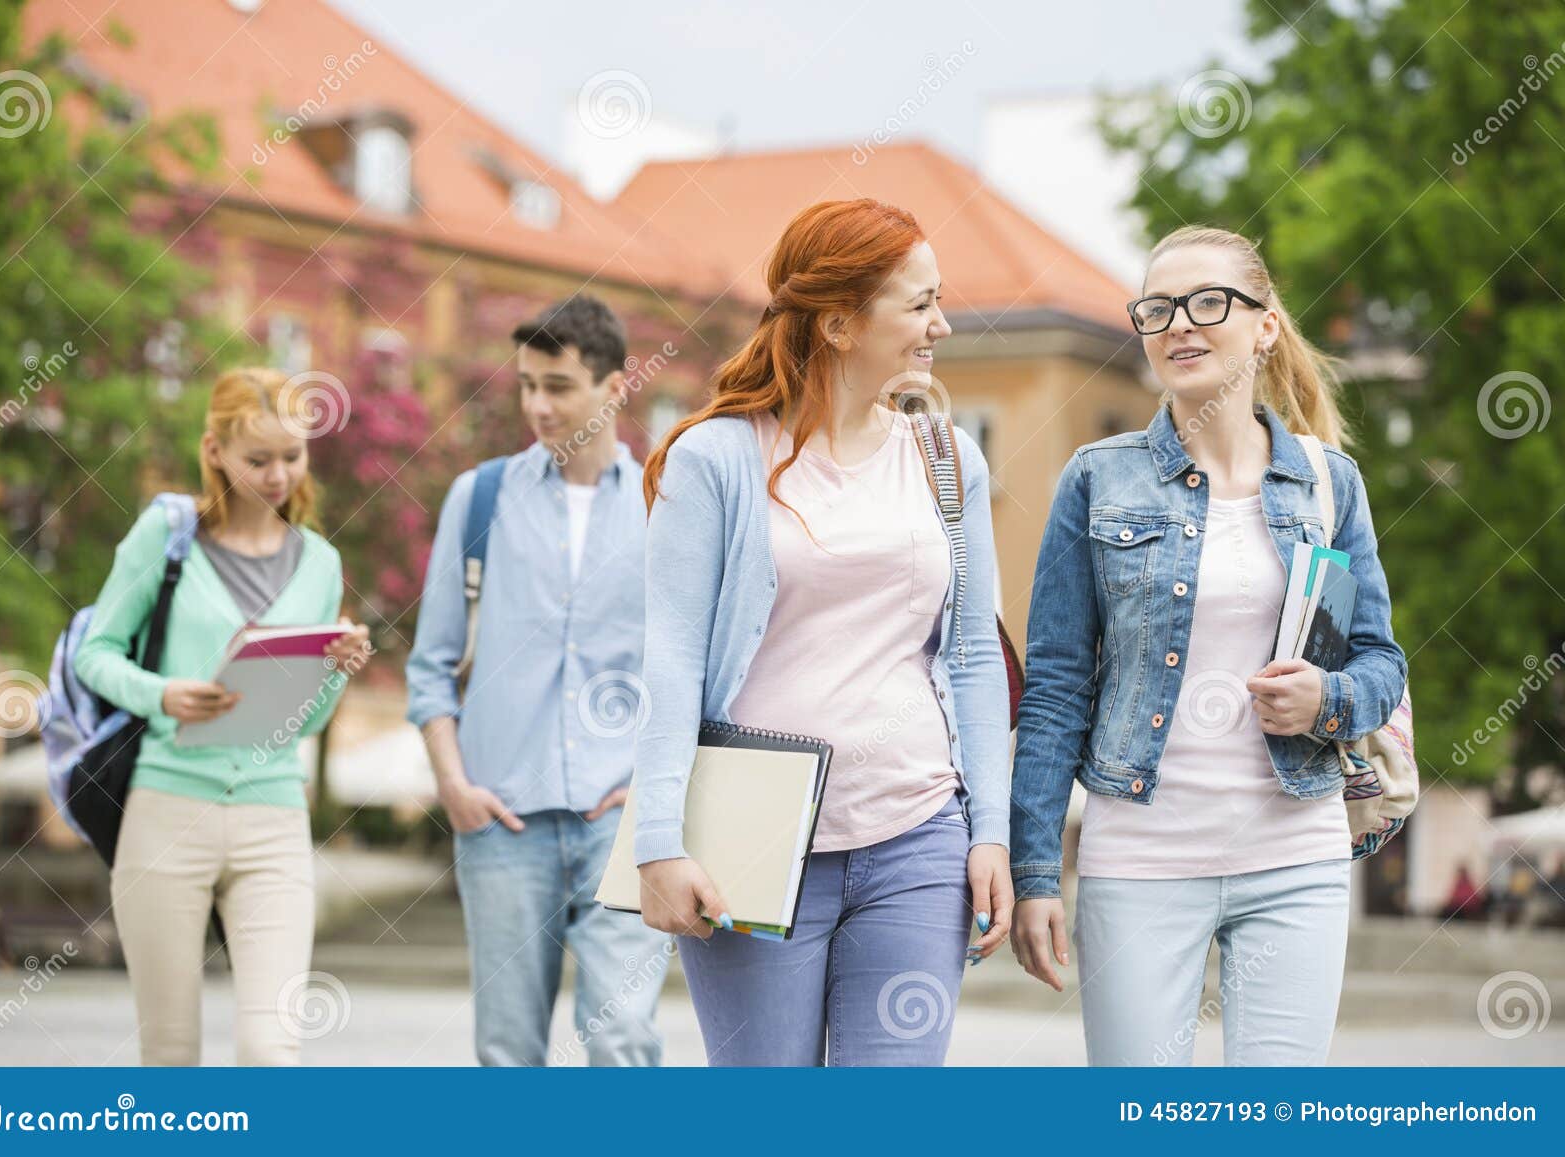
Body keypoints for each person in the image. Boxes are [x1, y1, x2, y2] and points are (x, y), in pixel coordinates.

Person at [1009, 225, 1408, 1066]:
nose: (1180, 324)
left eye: (1208, 302)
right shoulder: (1095, 477)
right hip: (1140, 857)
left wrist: (1327, 699)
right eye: (1158, 309)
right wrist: (1036, 872)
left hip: (1295, 853)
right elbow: (1053, 689)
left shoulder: (1329, 482)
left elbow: (1380, 664)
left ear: (1265, 325)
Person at [632, 198, 1012, 1066]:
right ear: (840, 321)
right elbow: (672, 657)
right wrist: (659, 840)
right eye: (918, 304)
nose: (941, 324)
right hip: (752, 843)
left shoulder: (948, 458)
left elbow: (973, 656)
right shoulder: (717, 459)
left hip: (918, 832)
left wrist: (989, 827)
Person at [76, 367, 372, 1065]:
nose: (278, 476)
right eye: (258, 459)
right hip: (166, 812)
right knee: (171, 1053)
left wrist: (333, 673)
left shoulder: (320, 562)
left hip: (273, 819)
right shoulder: (167, 537)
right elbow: (96, 653)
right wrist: (164, 693)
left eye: (292, 457)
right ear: (214, 451)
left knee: (272, 1051)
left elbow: (302, 725)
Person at [406, 295, 670, 1066]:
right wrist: (453, 784)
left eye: (557, 386)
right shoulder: (479, 496)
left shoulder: (668, 503)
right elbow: (431, 665)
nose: (537, 405)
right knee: (507, 1053)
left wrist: (658, 786)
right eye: (526, 384)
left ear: (615, 387)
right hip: (501, 820)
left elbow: (702, 669)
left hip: (621, 819)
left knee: (622, 1039)